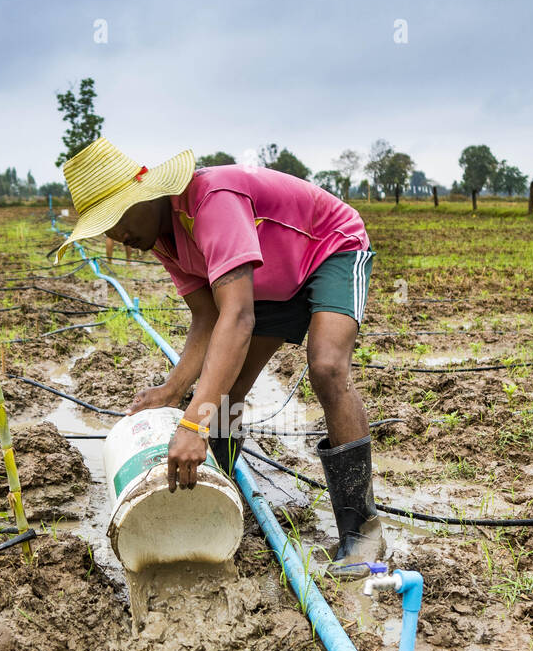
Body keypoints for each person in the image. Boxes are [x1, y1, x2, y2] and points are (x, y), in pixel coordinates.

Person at [54, 138, 384, 576]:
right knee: (228, 392)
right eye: (104, 229)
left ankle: (363, 533)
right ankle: (215, 493)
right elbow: (207, 319)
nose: (116, 236)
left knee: (326, 367)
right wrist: (172, 390)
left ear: (147, 195)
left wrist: (192, 424)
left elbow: (239, 317)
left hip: (330, 249)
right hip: (270, 274)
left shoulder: (211, 200)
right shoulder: (162, 240)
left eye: (115, 219)